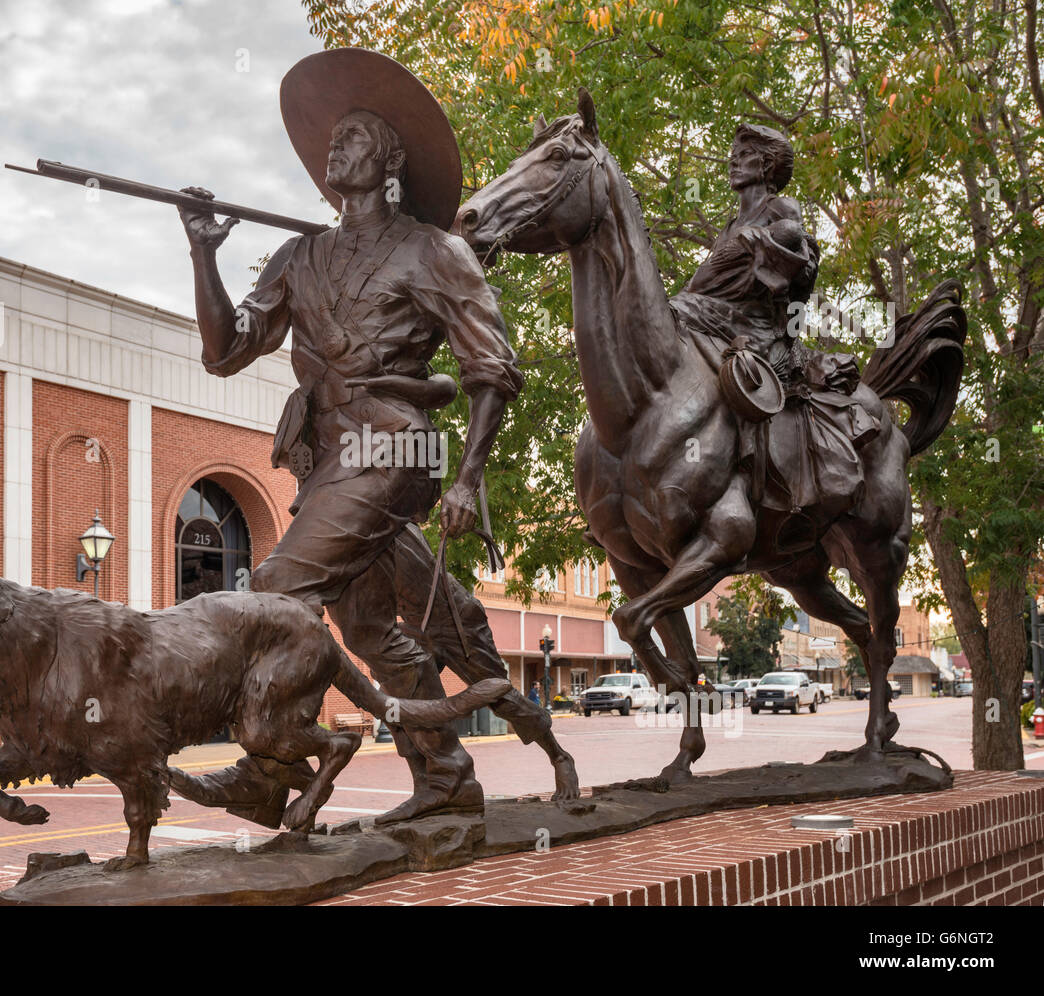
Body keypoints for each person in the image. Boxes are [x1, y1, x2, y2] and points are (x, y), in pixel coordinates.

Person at [176, 48, 578, 824]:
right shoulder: (300, 257)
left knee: (278, 588)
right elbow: (225, 350)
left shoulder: (434, 251)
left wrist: (465, 478)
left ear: (390, 159)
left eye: (355, 135)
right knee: (376, 629)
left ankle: (271, 770)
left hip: (394, 448)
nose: (336, 145)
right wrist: (202, 251)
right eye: (333, 137)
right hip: (327, 457)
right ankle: (446, 779)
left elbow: (492, 369)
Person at [671, 124, 881, 551]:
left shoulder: (781, 210)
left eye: (742, 153)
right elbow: (704, 283)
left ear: (765, 165)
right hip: (719, 320)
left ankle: (754, 482)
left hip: (760, 332)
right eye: (732, 152)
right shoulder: (732, 224)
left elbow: (792, 271)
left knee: (726, 369)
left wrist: (761, 250)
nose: (731, 159)